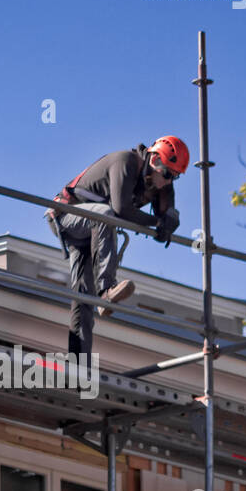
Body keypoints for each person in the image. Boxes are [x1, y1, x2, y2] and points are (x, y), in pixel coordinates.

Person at [45, 136, 188, 357]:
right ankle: (107, 290)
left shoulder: (161, 184)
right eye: (168, 174)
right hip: (66, 216)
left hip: (93, 230)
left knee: (83, 297)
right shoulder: (126, 162)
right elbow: (121, 209)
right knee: (106, 215)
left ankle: (79, 367)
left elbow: (164, 216)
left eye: (176, 177)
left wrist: (169, 220)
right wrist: (156, 223)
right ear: (155, 161)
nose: (169, 181)